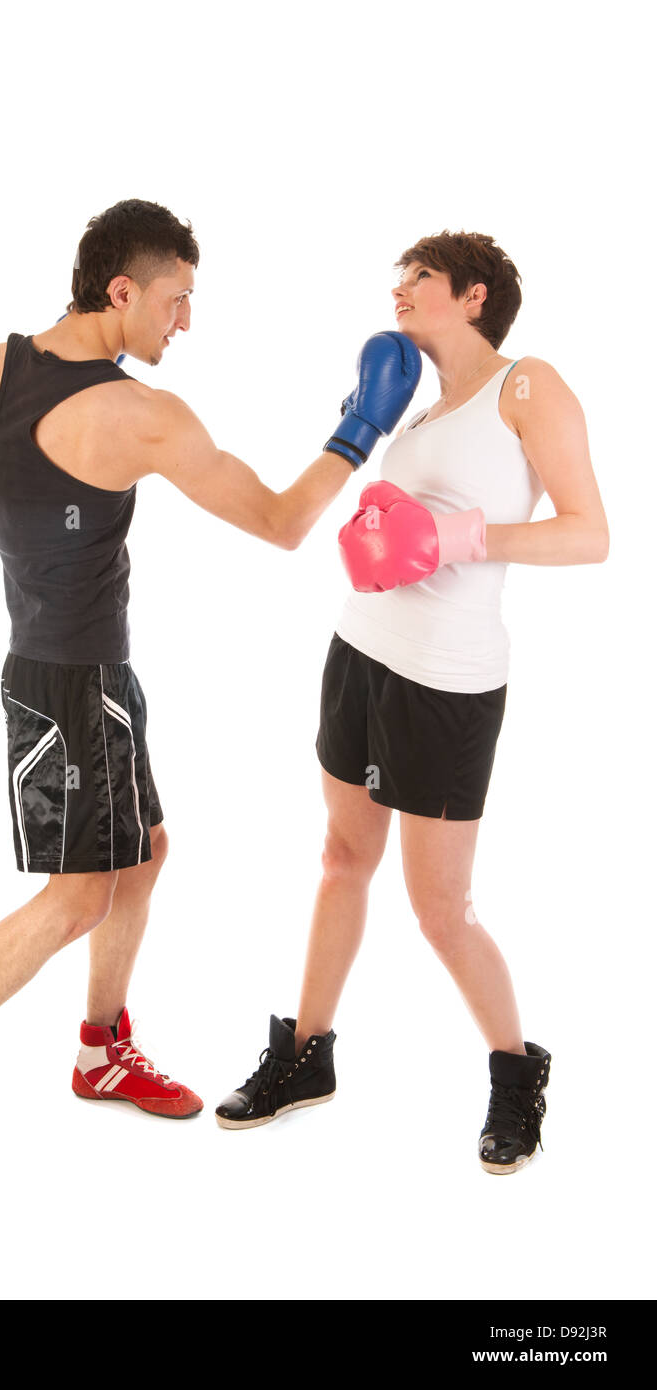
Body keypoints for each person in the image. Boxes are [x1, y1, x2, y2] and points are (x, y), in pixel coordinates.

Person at [0, 198, 422, 1185]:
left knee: (146, 850)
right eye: (176, 300)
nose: (185, 322)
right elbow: (285, 522)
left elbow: (6, 510)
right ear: (121, 291)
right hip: (72, 684)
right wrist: (359, 427)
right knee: (77, 896)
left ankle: (96, 1048)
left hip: (60, 666)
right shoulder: (140, 418)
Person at [215, 230, 610, 1175]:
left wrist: (459, 536)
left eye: (420, 277)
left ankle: (517, 1075)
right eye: (397, 276)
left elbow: (591, 534)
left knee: (441, 909)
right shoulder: (417, 414)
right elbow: (397, 537)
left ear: (474, 296)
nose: (398, 290)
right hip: (361, 650)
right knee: (341, 855)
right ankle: (305, 1055)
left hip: (450, 679)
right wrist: (378, 536)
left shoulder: (527, 387)